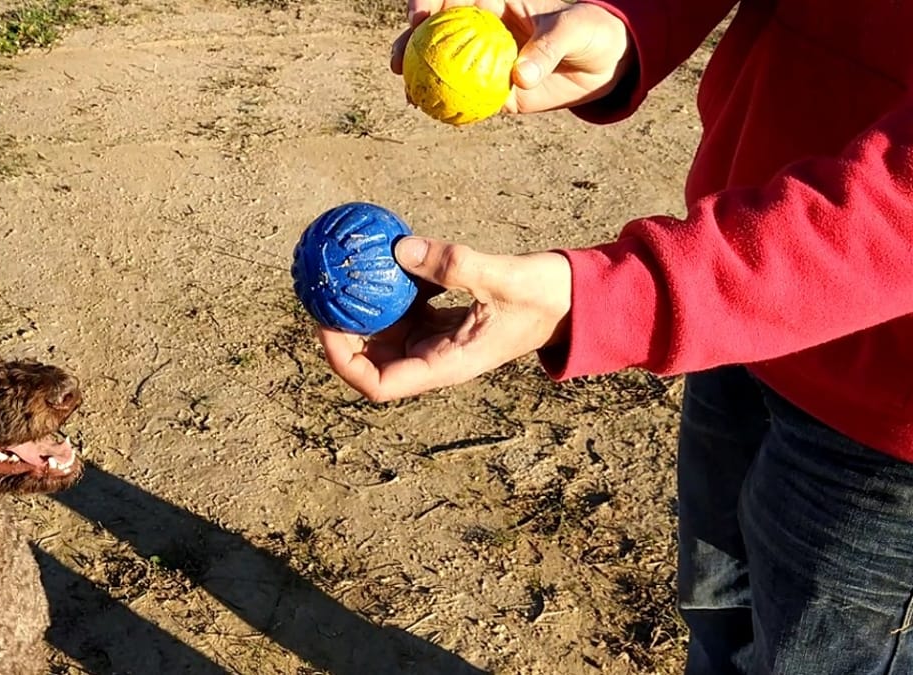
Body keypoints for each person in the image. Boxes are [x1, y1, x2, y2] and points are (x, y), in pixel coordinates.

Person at [314, 1, 913, 673]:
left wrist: (605, 300)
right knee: (718, 620)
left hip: (886, 416)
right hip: (738, 305)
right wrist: (630, 19)